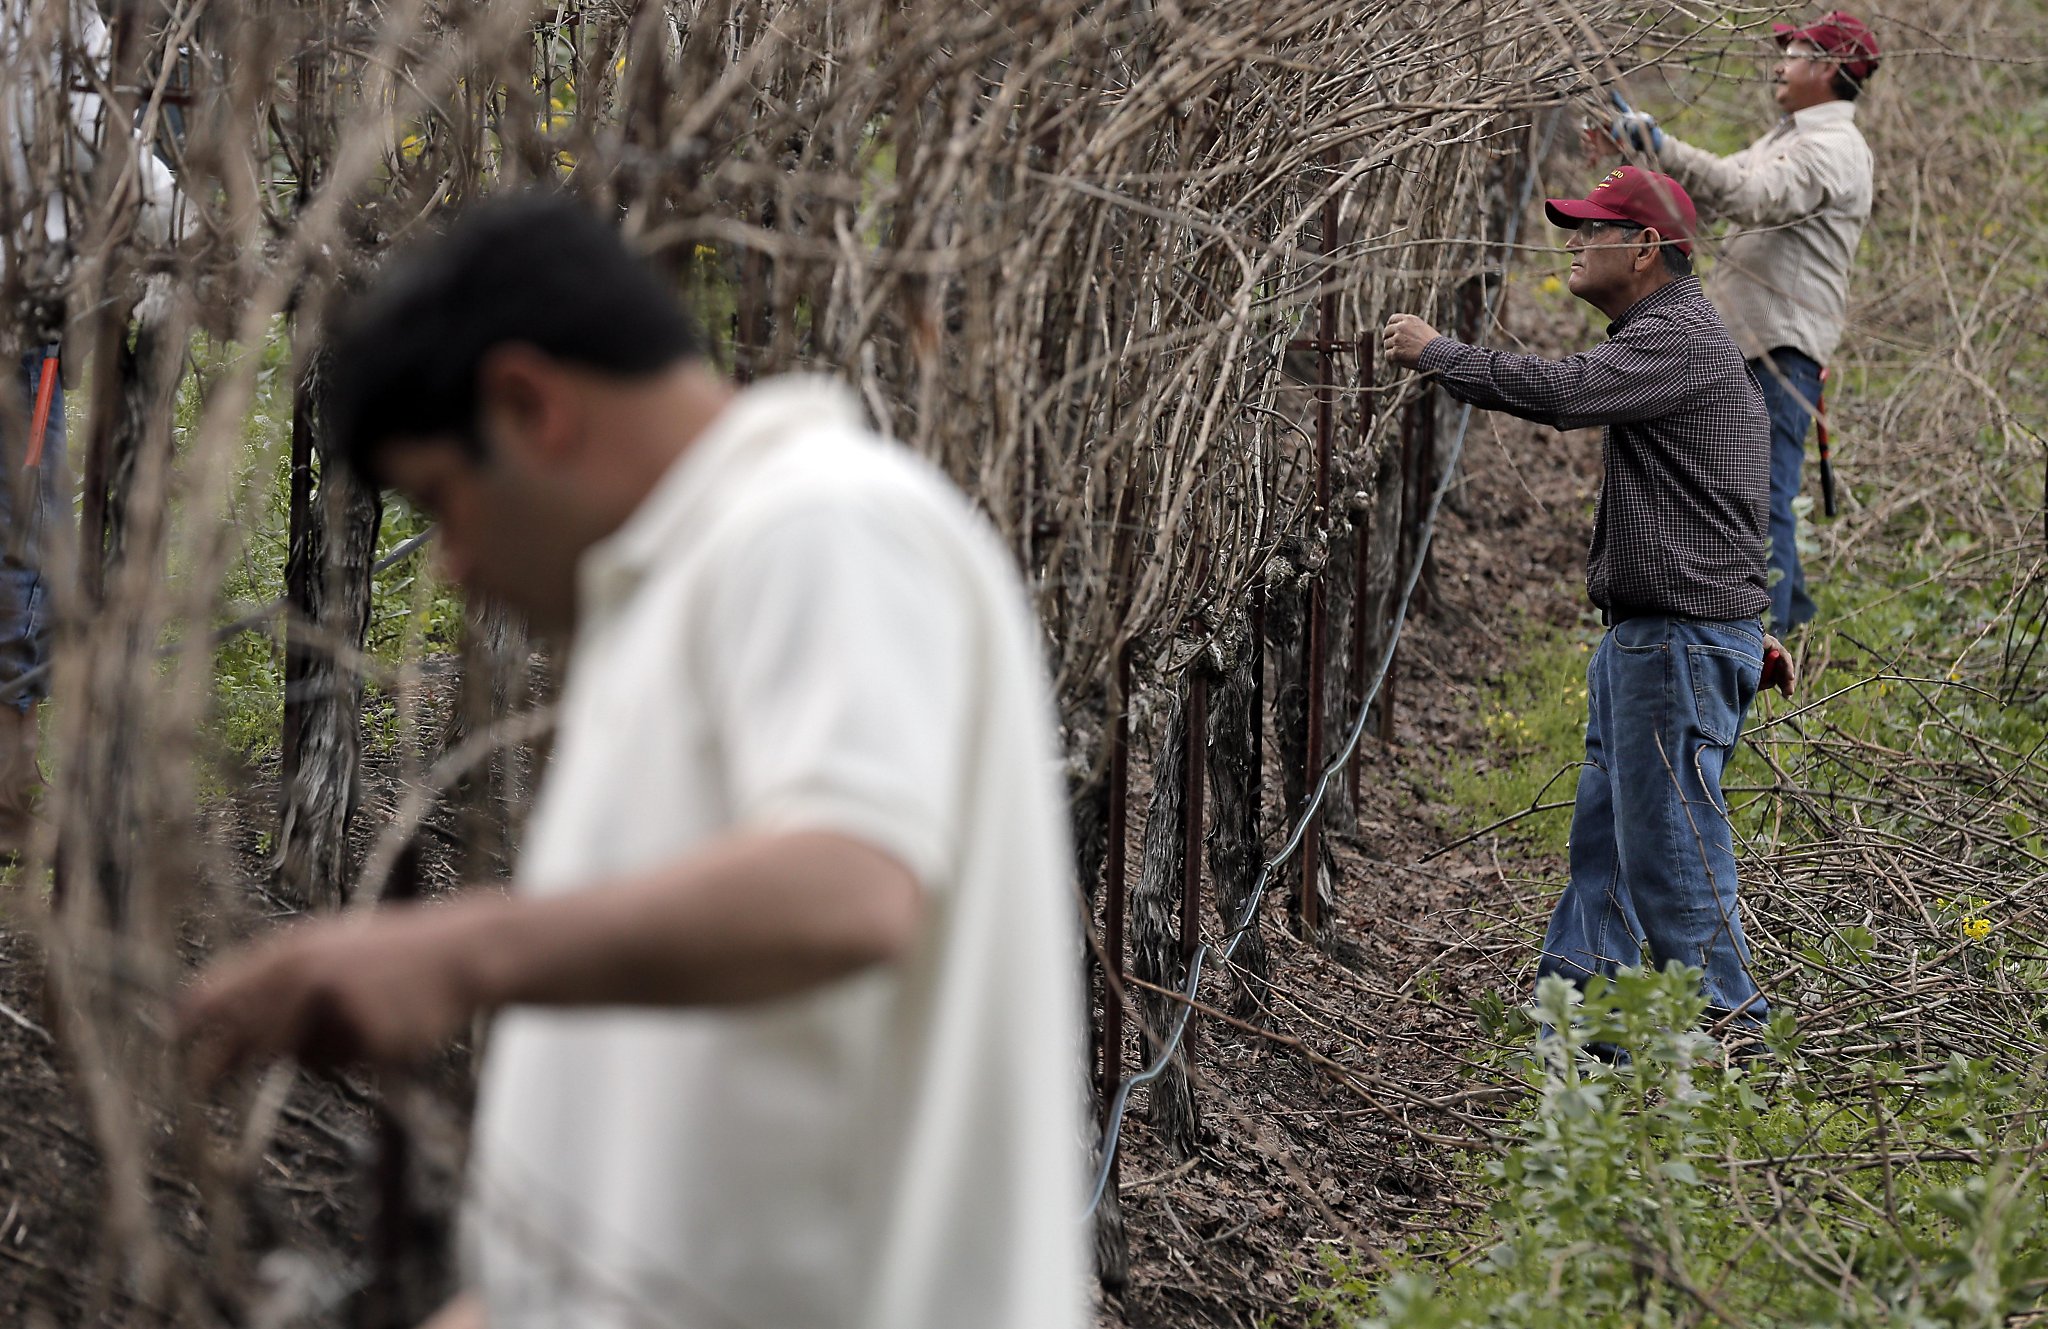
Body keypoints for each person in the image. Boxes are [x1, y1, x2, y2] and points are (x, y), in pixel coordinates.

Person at [180, 195, 1087, 1329]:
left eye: (442, 502)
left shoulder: (821, 524)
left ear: (529, 404)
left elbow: (852, 889)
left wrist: (459, 950)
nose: (451, 563)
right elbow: (691, 1112)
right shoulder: (679, 595)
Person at [1382, 166, 1793, 1032]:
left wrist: (1439, 353)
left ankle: (1734, 1040)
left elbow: (1565, 394)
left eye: (1592, 227)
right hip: (1662, 639)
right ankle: (1580, 1029)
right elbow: (1724, 494)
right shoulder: (1676, 337)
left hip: (1676, 641)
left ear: (1645, 247)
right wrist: (1743, 624)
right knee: (1606, 850)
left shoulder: (1674, 335)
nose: (1573, 241)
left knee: (1672, 857)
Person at [1593, 10, 1880, 633]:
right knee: (1753, 487)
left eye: (1795, 53)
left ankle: (1761, 648)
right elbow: (1715, 189)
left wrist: (1660, 145)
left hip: (1781, 349)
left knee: (1761, 495)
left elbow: (1749, 196)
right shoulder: (1792, 138)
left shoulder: (1832, 149)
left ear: (1827, 68)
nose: (1780, 65)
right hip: (1757, 342)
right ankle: (1791, 619)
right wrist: (1643, 154)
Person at [0, 0, 182, 840]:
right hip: (22, 322)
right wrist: (185, 237)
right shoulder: (47, 13)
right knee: (22, 534)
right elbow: (103, 143)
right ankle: (10, 772)